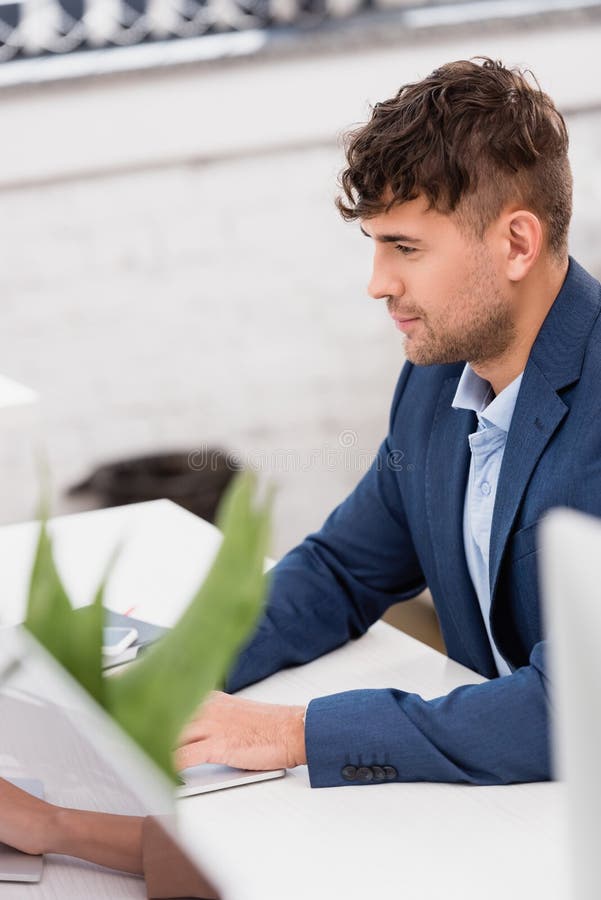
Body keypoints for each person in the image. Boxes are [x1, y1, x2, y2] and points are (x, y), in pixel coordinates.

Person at [174, 57, 601, 787]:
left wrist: (295, 733)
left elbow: (578, 707)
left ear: (517, 244)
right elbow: (343, 570)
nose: (377, 284)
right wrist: (172, 671)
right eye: (374, 245)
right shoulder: (436, 380)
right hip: (500, 809)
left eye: (404, 248)